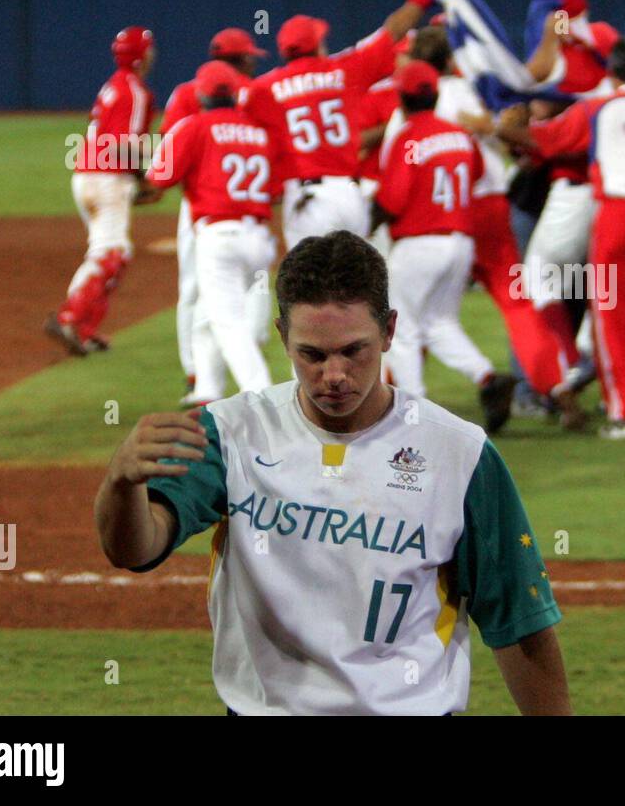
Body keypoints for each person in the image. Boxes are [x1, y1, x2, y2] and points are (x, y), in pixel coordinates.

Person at [94, 229, 570, 716]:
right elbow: (135, 549)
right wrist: (121, 485)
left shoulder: (459, 453)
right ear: (283, 337)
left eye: (354, 350)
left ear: (388, 330)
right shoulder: (229, 433)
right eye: (313, 355)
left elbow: (520, 621)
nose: (335, 375)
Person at [496, 37, 625, 440]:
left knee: (611, 317)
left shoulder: (599, 110)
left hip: (619, 216)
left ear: (612, 73)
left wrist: (506, 129)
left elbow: (546, 139)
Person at [242, 0, 454, 251]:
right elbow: (394, 29)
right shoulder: (344, 70)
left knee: (310, 287)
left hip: (309, 198)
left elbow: (241, 130)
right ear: (318, 46)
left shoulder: (264, 90)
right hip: (350, 196)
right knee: (354, 286)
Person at [371, 60, 519, 434]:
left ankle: (412, 412)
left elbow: (392, 200)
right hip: (460, 242)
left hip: (420, 242)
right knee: (438, 322)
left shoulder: (407, 140)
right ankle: (486, 376)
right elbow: (478, 172)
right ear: (435, 95)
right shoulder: (458, 135)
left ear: (402, 99)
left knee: (398, 325)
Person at [146, 61, 281, 402]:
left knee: (227, 323)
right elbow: (276, 188)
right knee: (210, 314)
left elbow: (158, 179)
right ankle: (207, 391)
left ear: (201, 94)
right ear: (235, 94)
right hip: (259, 240)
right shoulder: (259, 131)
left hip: (220, 240)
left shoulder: (194, 126)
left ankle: (261, 395)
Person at [45, 26, 156, 356]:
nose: (152, 54)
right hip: (107, 178)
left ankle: (82, 329)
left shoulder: (114, 84)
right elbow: (124, 145)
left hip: (86, 176)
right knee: (110, 254)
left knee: (109, 253)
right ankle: (70, 318)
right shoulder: (135, 91)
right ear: (141, 56)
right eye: (148, 49)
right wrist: (143, 178)